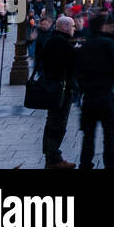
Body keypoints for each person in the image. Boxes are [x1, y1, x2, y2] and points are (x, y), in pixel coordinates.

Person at [76, 13, 114, 170]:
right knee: (110, 134)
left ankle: (85, 165)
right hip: (105, 96)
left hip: (88, 97)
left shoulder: (85, 44)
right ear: (103, 26)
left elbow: (78, 70)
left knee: (88, 136)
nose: (113, 27)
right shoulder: (110, 43)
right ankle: (111, 164)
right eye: (110, 25)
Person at [37, 16, 77, 170]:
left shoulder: (54, 40)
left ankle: (53, 157)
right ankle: (53, 159)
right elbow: (71, 61)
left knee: (54, 123)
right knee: (57, 124)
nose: (74, 29)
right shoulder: (59, 43)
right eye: (72, 26)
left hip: (56, 89)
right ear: (65, 28)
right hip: (59, 90)